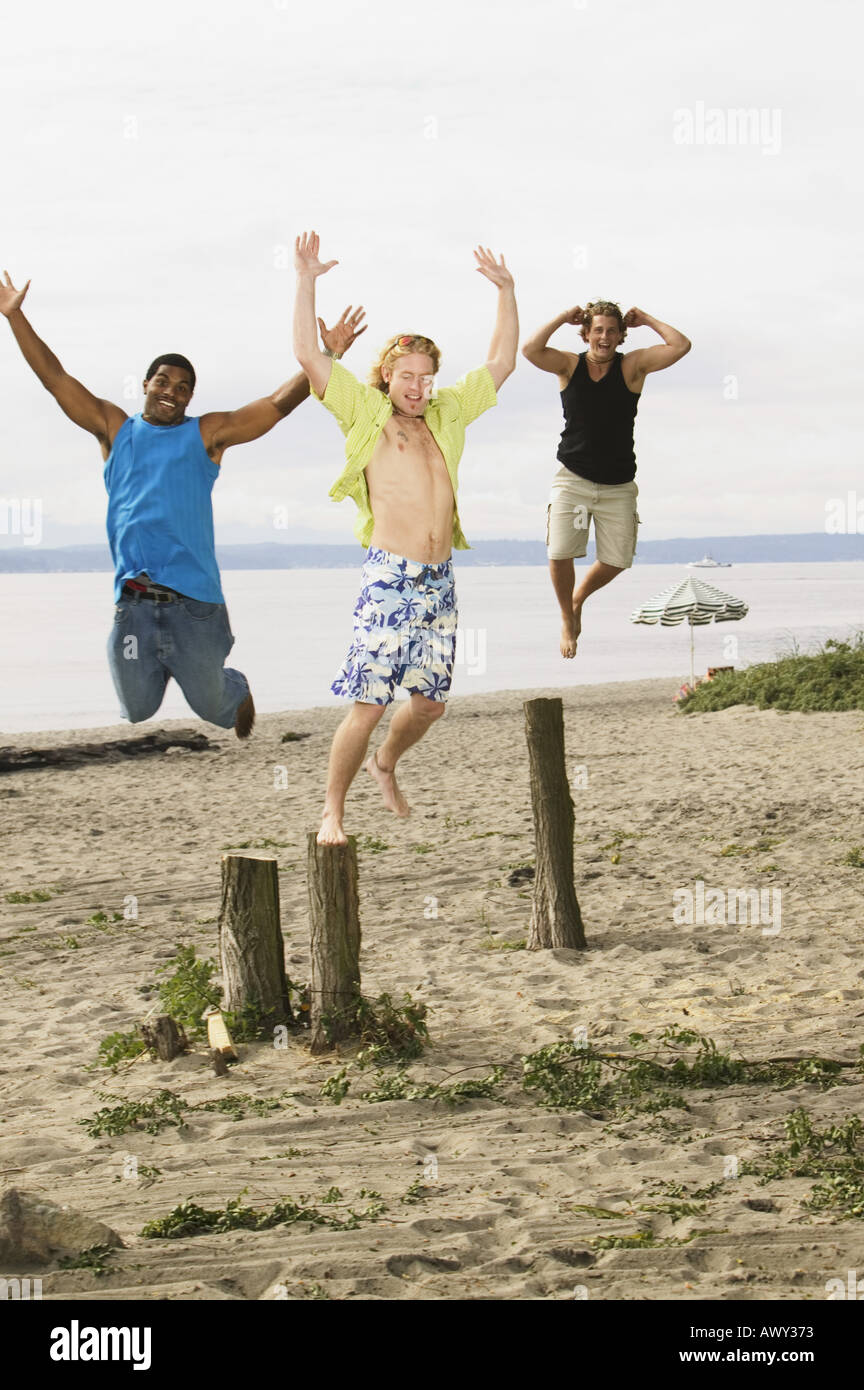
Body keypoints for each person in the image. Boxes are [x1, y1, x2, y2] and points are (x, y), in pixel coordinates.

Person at [0, 269, 365, 735]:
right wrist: (14, 316)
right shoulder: (115, 428)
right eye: (162, 381)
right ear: (147, 384)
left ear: (190, 397)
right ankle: (172, 664)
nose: (171, 391)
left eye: (182, 387)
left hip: (195, 604)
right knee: (135, 709)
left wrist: (326, 356)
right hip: (133, 602)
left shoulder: (206, 435)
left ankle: (228, 682)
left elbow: (276, 405)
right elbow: (55, 378)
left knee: (215, 707)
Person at [292, 231, 518, 845]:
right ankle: (331, 813)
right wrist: (307, 277)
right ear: (387, 375)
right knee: (367, 704)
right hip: (390, 575)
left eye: (425, 376)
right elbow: (312, 361)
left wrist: (507, 291)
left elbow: (502, 363)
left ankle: (386, 763)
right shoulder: (366, 412)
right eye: (406, 375)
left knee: (430, 704)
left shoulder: (447, 412)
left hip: (440, 578)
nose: (417, 387)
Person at [522, 300, 691, 657]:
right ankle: (568, 617)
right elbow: (530, 349)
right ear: (586, 333)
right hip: (573, 477)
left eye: (612, 330)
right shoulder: (569, 365)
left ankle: (579, 597)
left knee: (618, 559)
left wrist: (645, 318)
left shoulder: (632, 367)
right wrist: (560, 317)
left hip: (618, 484)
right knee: (559, 553)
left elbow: (681, 345)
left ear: (620, 335)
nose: (605, 336)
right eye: (598, 329)